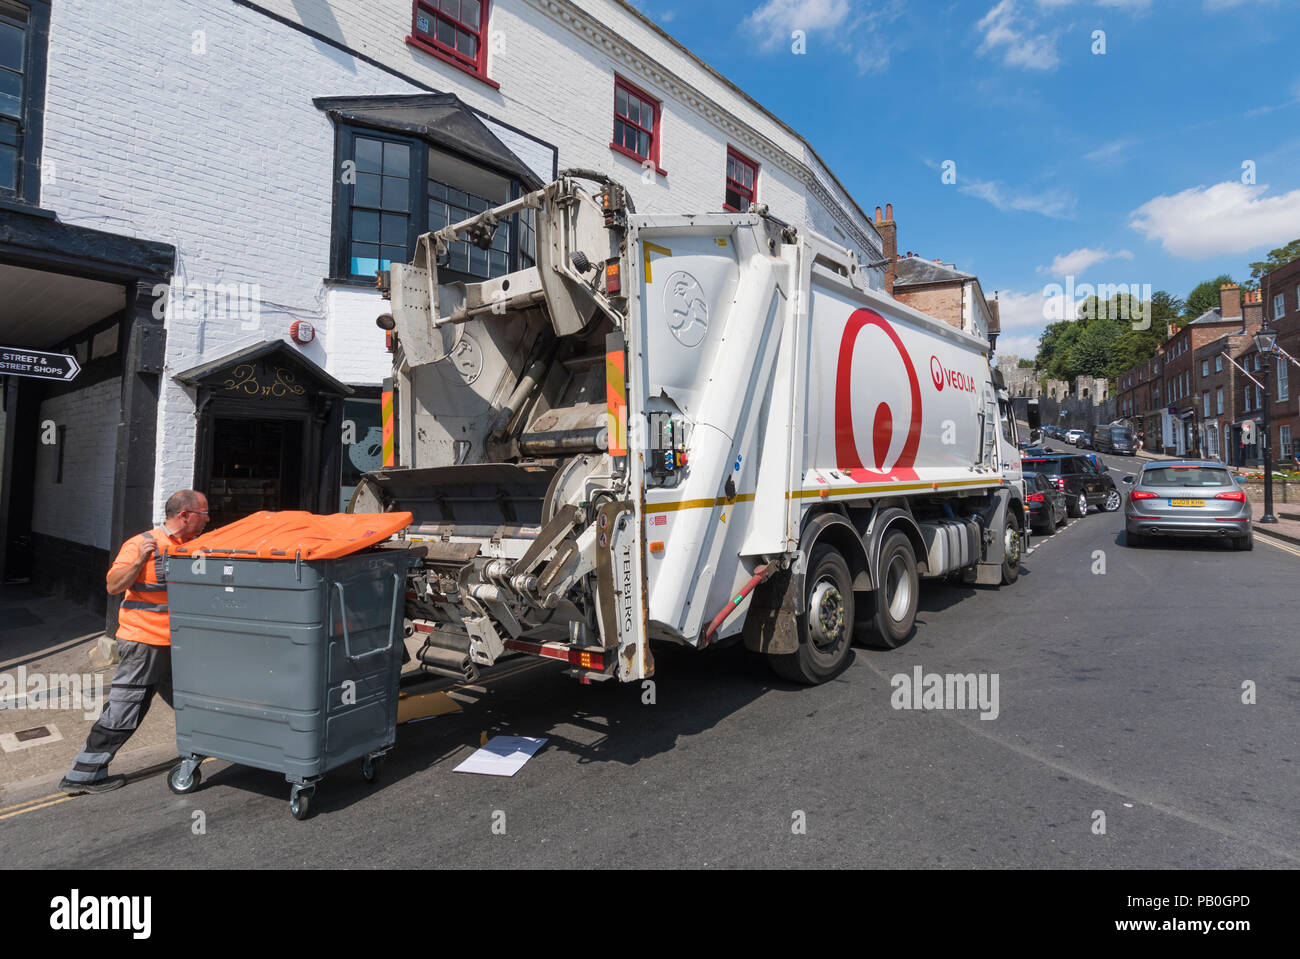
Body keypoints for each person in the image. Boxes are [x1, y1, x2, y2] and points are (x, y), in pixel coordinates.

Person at [60, 491, 210, 794]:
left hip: (174, 644)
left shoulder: (192, 547)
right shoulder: (142, 544)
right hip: (144, 643)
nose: (208, 519)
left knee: (192, 698)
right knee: (127, 706)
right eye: (204, 514)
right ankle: (83, 773)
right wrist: (141, 558)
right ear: (185, 515)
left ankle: (207, 743)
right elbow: (113, 585)